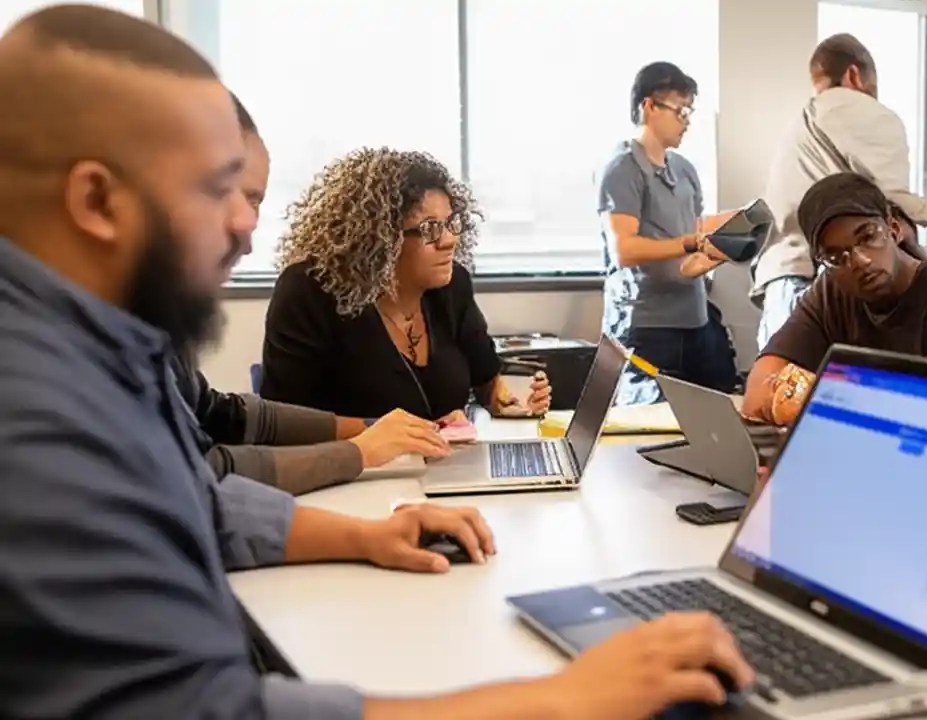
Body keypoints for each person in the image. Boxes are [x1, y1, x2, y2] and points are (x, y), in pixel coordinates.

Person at [0, 6, 752, 719]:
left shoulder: (112, 351)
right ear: (97, 200)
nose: (245, 227)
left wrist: (363, 534)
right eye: (217, 190)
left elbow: (194, 496)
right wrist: (561, 700)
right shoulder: (36, 420)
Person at [174, 94, 451, 495]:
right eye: (223, 194)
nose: (246, 230)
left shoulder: (152, 339)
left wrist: (378, 432)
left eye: (254, 202)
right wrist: (360, 451)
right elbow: (200, 479)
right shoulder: (309, 288)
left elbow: (220, 414)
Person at [260, 148, 552, 423]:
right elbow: (282, 423)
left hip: (445, 471)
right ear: (380, 239)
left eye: (452, 223)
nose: (449, 240)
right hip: (352, 472)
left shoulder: (452, 286)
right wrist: (379, 432)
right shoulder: (309, 292)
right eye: (430, 229)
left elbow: (486, 378)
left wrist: (507, 399)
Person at [742, 172, 927, 426]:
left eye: (867, 236)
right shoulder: (831, 294)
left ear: (894, 229)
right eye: (835, 256)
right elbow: (758, 390)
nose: (859, 261)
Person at [752, 33, 927, 351]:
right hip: (820, 283)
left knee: (781, 394)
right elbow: (891, 198)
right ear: (854, 74)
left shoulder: (799, 125)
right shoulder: (860, 109)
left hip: (780, 282)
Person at [598, 61, 740, 405]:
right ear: (649, 107)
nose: (687, 121)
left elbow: (692, 238)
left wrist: (734, 232)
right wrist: (690, 242)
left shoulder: (684, 170)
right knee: (652, 424)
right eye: (680, 111)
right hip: (647, 326)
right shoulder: (622, 169)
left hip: (695, 319)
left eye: (690, 111)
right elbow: (624, 249)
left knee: (714, 415)